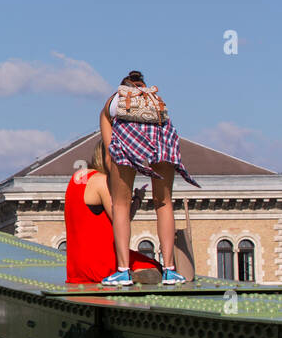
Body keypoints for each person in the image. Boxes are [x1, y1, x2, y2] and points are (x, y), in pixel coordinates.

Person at [99, 70, 199, 287]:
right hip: (162, 136)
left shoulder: (114, 100)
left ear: (123, 86)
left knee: (121, 205)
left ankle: (123, 271)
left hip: (127, 135)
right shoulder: (154, 99)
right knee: (163, 203)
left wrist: (112, 165)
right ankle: (170, 271)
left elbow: (108, 147)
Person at [65, 140, 159, 284]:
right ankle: (131, 276)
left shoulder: (79, 176)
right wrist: (138, 200)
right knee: (154, 267)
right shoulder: (102, 181)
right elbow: (122, 221)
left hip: (76, 268)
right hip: (99, 264)